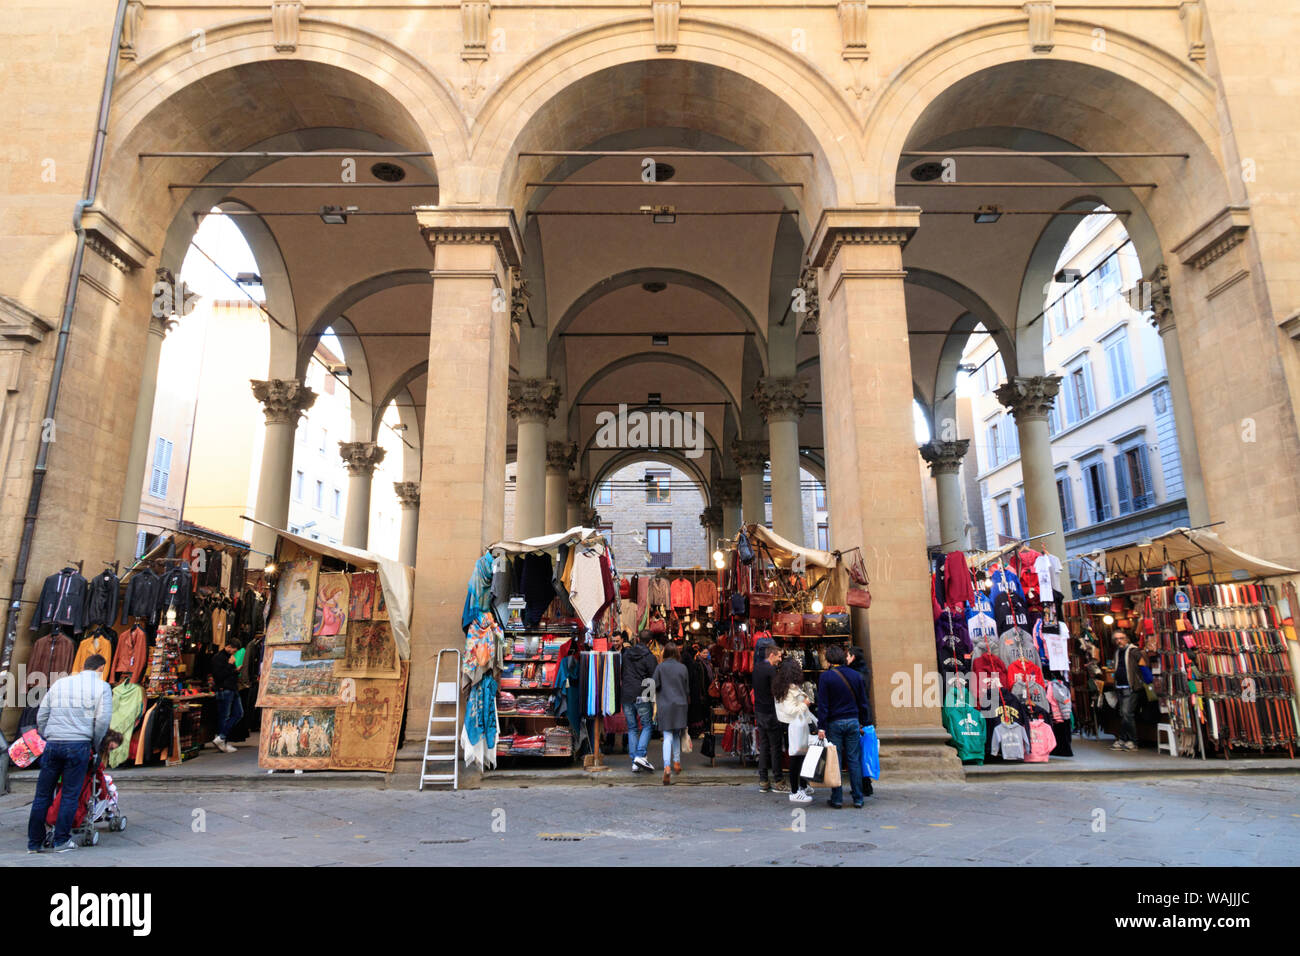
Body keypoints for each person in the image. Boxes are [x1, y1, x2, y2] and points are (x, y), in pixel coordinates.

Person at [27, 654, 113, 852]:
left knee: (42, 795)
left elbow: (42, 714)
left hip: (53, 743)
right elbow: (102, 720)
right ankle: (61, 840)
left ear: (84, 666)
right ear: (100, 668)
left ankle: (34, 843)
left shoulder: (60, 684)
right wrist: (95, 742)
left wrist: (46, 734)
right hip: (79, 744)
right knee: (69, 794)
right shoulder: (102, 687)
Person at [815, 644, 870, 809]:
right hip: (853, 721)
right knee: (854, 760)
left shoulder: (826, 677)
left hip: (834, 723)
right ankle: (858, 798)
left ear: (830, 659)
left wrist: (821, 727)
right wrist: (865, 722)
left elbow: (823, 705)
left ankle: (837, 798)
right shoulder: (856, 675)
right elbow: (863, 702)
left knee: (836, 761)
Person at [773, 656, 815, 803]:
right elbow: (791, 710)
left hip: (792, 725)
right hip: (793, 725)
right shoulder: (789, 689)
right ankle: (796, 791)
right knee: (796, 758)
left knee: (799, 756)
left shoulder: (784, 687)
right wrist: (805, 704)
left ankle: (802, 786)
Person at [752, 638, 788, 793]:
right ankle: (778, 780)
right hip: (771, 713)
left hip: (759, 711)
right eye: (779, 656)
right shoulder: (771, 670)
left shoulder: (757, 668)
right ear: (772, 655)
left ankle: (763, 780)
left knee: (764, 746)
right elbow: (777, 691)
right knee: (775, 747)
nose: (780, 659)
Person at [654, 642, 690, 785]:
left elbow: (654, 685)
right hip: (680, 705)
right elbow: (687, 689)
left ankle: (667, 766)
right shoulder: (683, 668)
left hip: (665, 705)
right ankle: (677, 762)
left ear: (665, 653)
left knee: (667, 735)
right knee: (677, 734)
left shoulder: (660, 667)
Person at [621, 630, 658, 772]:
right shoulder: (650, 657)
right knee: (647, 725)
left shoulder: (626, 654)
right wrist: (652, 698)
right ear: (650, 642)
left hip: (626, 693)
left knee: (632, 728)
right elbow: (652, 679)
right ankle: (640, 755)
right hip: (642, 693)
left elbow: (622, 673)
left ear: (637, 639)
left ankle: (634, 761)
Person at [844, 645, 875, 797]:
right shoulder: (865, 672)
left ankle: (862, 786)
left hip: (857, 716)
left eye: (848, 656)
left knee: (855, 753)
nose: (846, 659)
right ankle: (865, 785)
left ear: (853, 657)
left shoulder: (855, 675)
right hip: (864, 715)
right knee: (862, 751)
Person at [1110, 630, 1147, 751]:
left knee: (1127, 714)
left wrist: (1142, 679)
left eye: (1121, 638)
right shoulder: (1118, 652)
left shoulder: (1133, 651)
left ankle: (1132, 741)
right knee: (1123, 714)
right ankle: (1124, 739)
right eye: (1116, 639)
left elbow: (1143, 664)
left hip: (1131, 687)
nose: (1118, 641)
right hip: (1120, 686)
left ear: (1126, 639)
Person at [210, 638, 243, 753]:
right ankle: (222, 741)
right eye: (234, 650)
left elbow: (229, 673)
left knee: (238, 713)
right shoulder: (218, 658)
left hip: (232, 689)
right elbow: (218, 676)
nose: (234, 653)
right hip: (224, 690)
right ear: (228, 646)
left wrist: (236, 670)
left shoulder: (229, 658)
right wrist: (230, 665)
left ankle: (221, 738)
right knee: (224, 716)